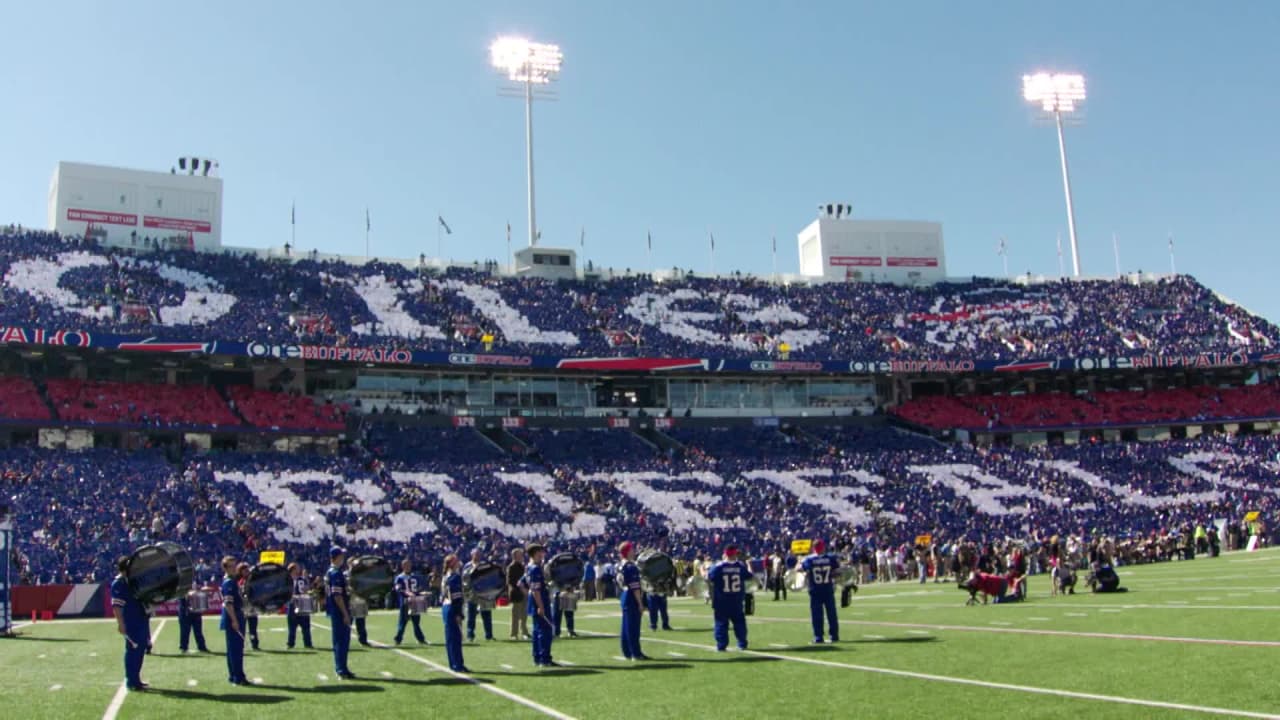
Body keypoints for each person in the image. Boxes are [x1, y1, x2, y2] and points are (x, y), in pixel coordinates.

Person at [110, 556, 150, 691]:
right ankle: (131, 680)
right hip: (130, 620)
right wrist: (120, 623)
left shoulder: (131, 580)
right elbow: (117, 606)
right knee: (133, 649)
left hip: (140, 617)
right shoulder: (119, 583)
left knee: (141, 648)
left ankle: (136, 679)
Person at [707, 545, 751, 651]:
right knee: (740, 623)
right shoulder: (740, 566)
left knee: (721, 624)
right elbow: (749, 576)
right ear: (735, 554)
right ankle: (742, 643)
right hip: (736, 600)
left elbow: (709, 577)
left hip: (722, 601)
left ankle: (722, 645)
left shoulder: (719, 566)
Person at [522, 543, 558, 667]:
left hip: (534, 602)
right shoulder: (535, 568)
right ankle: (544, 658)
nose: (543, 554)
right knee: (545, 630)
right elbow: (536, 589)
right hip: (540, 601)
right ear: (536, 553)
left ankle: (537, 657)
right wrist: (540, 605)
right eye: (541, 552)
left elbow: (521, 584)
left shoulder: (529, 567)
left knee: (537, 630)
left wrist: (531, 596)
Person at [801, 539, 840, 644]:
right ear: (823, 547)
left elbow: (800, 569)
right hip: (828, 588)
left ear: (813, 548)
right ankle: (834, 635)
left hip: (815, 590)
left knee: (817, 614)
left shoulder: (809, 560)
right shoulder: (831, 558)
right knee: (831, 613)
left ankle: (818, 636)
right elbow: (837, 572)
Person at [326, 547, 356, 679]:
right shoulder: (336, 573)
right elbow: (337, 595)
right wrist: (345, 613)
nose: (343, 558)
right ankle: (341, 669)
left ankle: (342, 667)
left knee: (341, 641)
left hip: (335, 610)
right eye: (341, 555)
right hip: (339, 611)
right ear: (337, 557)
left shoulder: (331, 571)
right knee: (341, 641)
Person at [219, 556, 250, 686]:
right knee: (236, 649)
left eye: (234, 565)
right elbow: (228, 604)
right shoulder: (229, 582)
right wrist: (234, 620)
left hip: (235, 616)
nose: (234, 568)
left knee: (233, 648)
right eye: (231, 566)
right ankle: (238, 677)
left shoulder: (231, 580)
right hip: (234, 617)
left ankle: (234, 675)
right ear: (225, 568)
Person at [615, 541, 648, 659]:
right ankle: (635, 652)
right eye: (632, 549)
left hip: (624, 594)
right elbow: (635, 587)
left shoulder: (620, 565)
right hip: (631, 596)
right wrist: (640, 603)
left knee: (626, 626)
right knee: (633, 626)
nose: (634, 551)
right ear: (627, 551)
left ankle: (627, 651)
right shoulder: (630, 566)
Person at [440, 554, 469, 672]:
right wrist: (458, 613)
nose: (459, 563)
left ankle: (453, 663)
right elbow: (456, 596)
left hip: (446, 607)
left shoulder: (445, 576)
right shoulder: (455, 577)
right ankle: (458, 664)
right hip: (452, 607)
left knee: (450, 638)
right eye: (456, 561)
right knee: (455, 638)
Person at [394, 558, 428, 645]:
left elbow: (417, 589)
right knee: (403, 622)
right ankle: (398, 638)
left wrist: (421, 593)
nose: (408, 567)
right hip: (405, 602)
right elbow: (398, 589)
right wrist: (407, 593)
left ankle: (420, 639)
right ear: (402, 566)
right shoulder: (400, 577)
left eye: (409, 565)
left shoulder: (414, 576)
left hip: (415, 602)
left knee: (416, 622)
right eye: (406, 565)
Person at [463, 548, 495, 642]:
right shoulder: (467, 566)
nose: (477, 556)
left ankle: (489, 635)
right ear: (472, 555)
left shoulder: (484, 565)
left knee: (486, 615)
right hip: (472, 593)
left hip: (484, 593)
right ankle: (470, 635)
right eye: (475, 554)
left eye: (479, 554)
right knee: (471, 615)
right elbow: (464, 579)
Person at [286, 562, 314, 649]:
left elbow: (305, 589)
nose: (299, 569)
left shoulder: (292, 579)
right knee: (297, 626)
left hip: (297, 603)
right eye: (297, 568)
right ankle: (303, 643)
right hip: (298, 603)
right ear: (293, 569)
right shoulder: (291, 580)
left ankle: (296, 643)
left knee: (301, 626)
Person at [177, 580, 209, 654]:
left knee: (198, 631)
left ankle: (202, 647)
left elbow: (201, 589)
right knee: (185, 631)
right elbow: (181, 594)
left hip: (196, 611)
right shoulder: (181, 583)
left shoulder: (196, 580)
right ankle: (184, 647)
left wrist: (199, 590)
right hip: (185, 611)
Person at [346, 556, 371, 647]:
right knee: (348, 622)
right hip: (350, 600)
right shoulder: (345, 574)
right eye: (352, 563)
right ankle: (345, 640)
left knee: (361, 622)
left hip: (360, 600)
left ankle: (363, 640)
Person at [506, 548, 529, 640]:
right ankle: (514, 634)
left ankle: (524, 632)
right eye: (519, 555)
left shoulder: (523, 566)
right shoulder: (511, 567)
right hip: (516, 593)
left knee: (524, 614)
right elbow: (511, 581)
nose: (521, 556)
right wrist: (521, 588)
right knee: (515, 615)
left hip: (524, 593)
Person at [238, 563, 260, 651]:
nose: (246, 572)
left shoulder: (253, 580)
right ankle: (241, 644)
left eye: (247, 570)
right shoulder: (239, 581)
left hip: (252, 607)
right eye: (244, 570)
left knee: (253, 628)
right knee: (242, 628)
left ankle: (254, 644)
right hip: (243, 607)